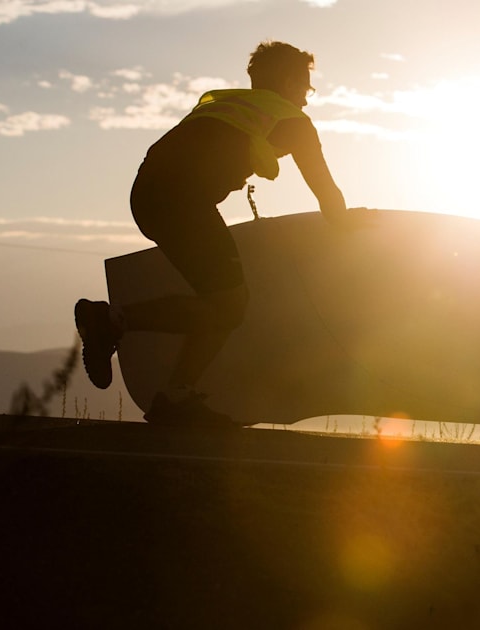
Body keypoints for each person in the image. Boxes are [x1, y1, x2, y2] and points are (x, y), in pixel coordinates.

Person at [75, 40, 367, 427]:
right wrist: (356, 225)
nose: (307, 100)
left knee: (219, 299)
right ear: (285, 80)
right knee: (229, 305)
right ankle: (113, 324)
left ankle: (173, 394)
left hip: (146, 194)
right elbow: (326, 194)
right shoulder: (293, 121)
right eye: (305, 88)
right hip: (183, 200)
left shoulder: (229, 104)